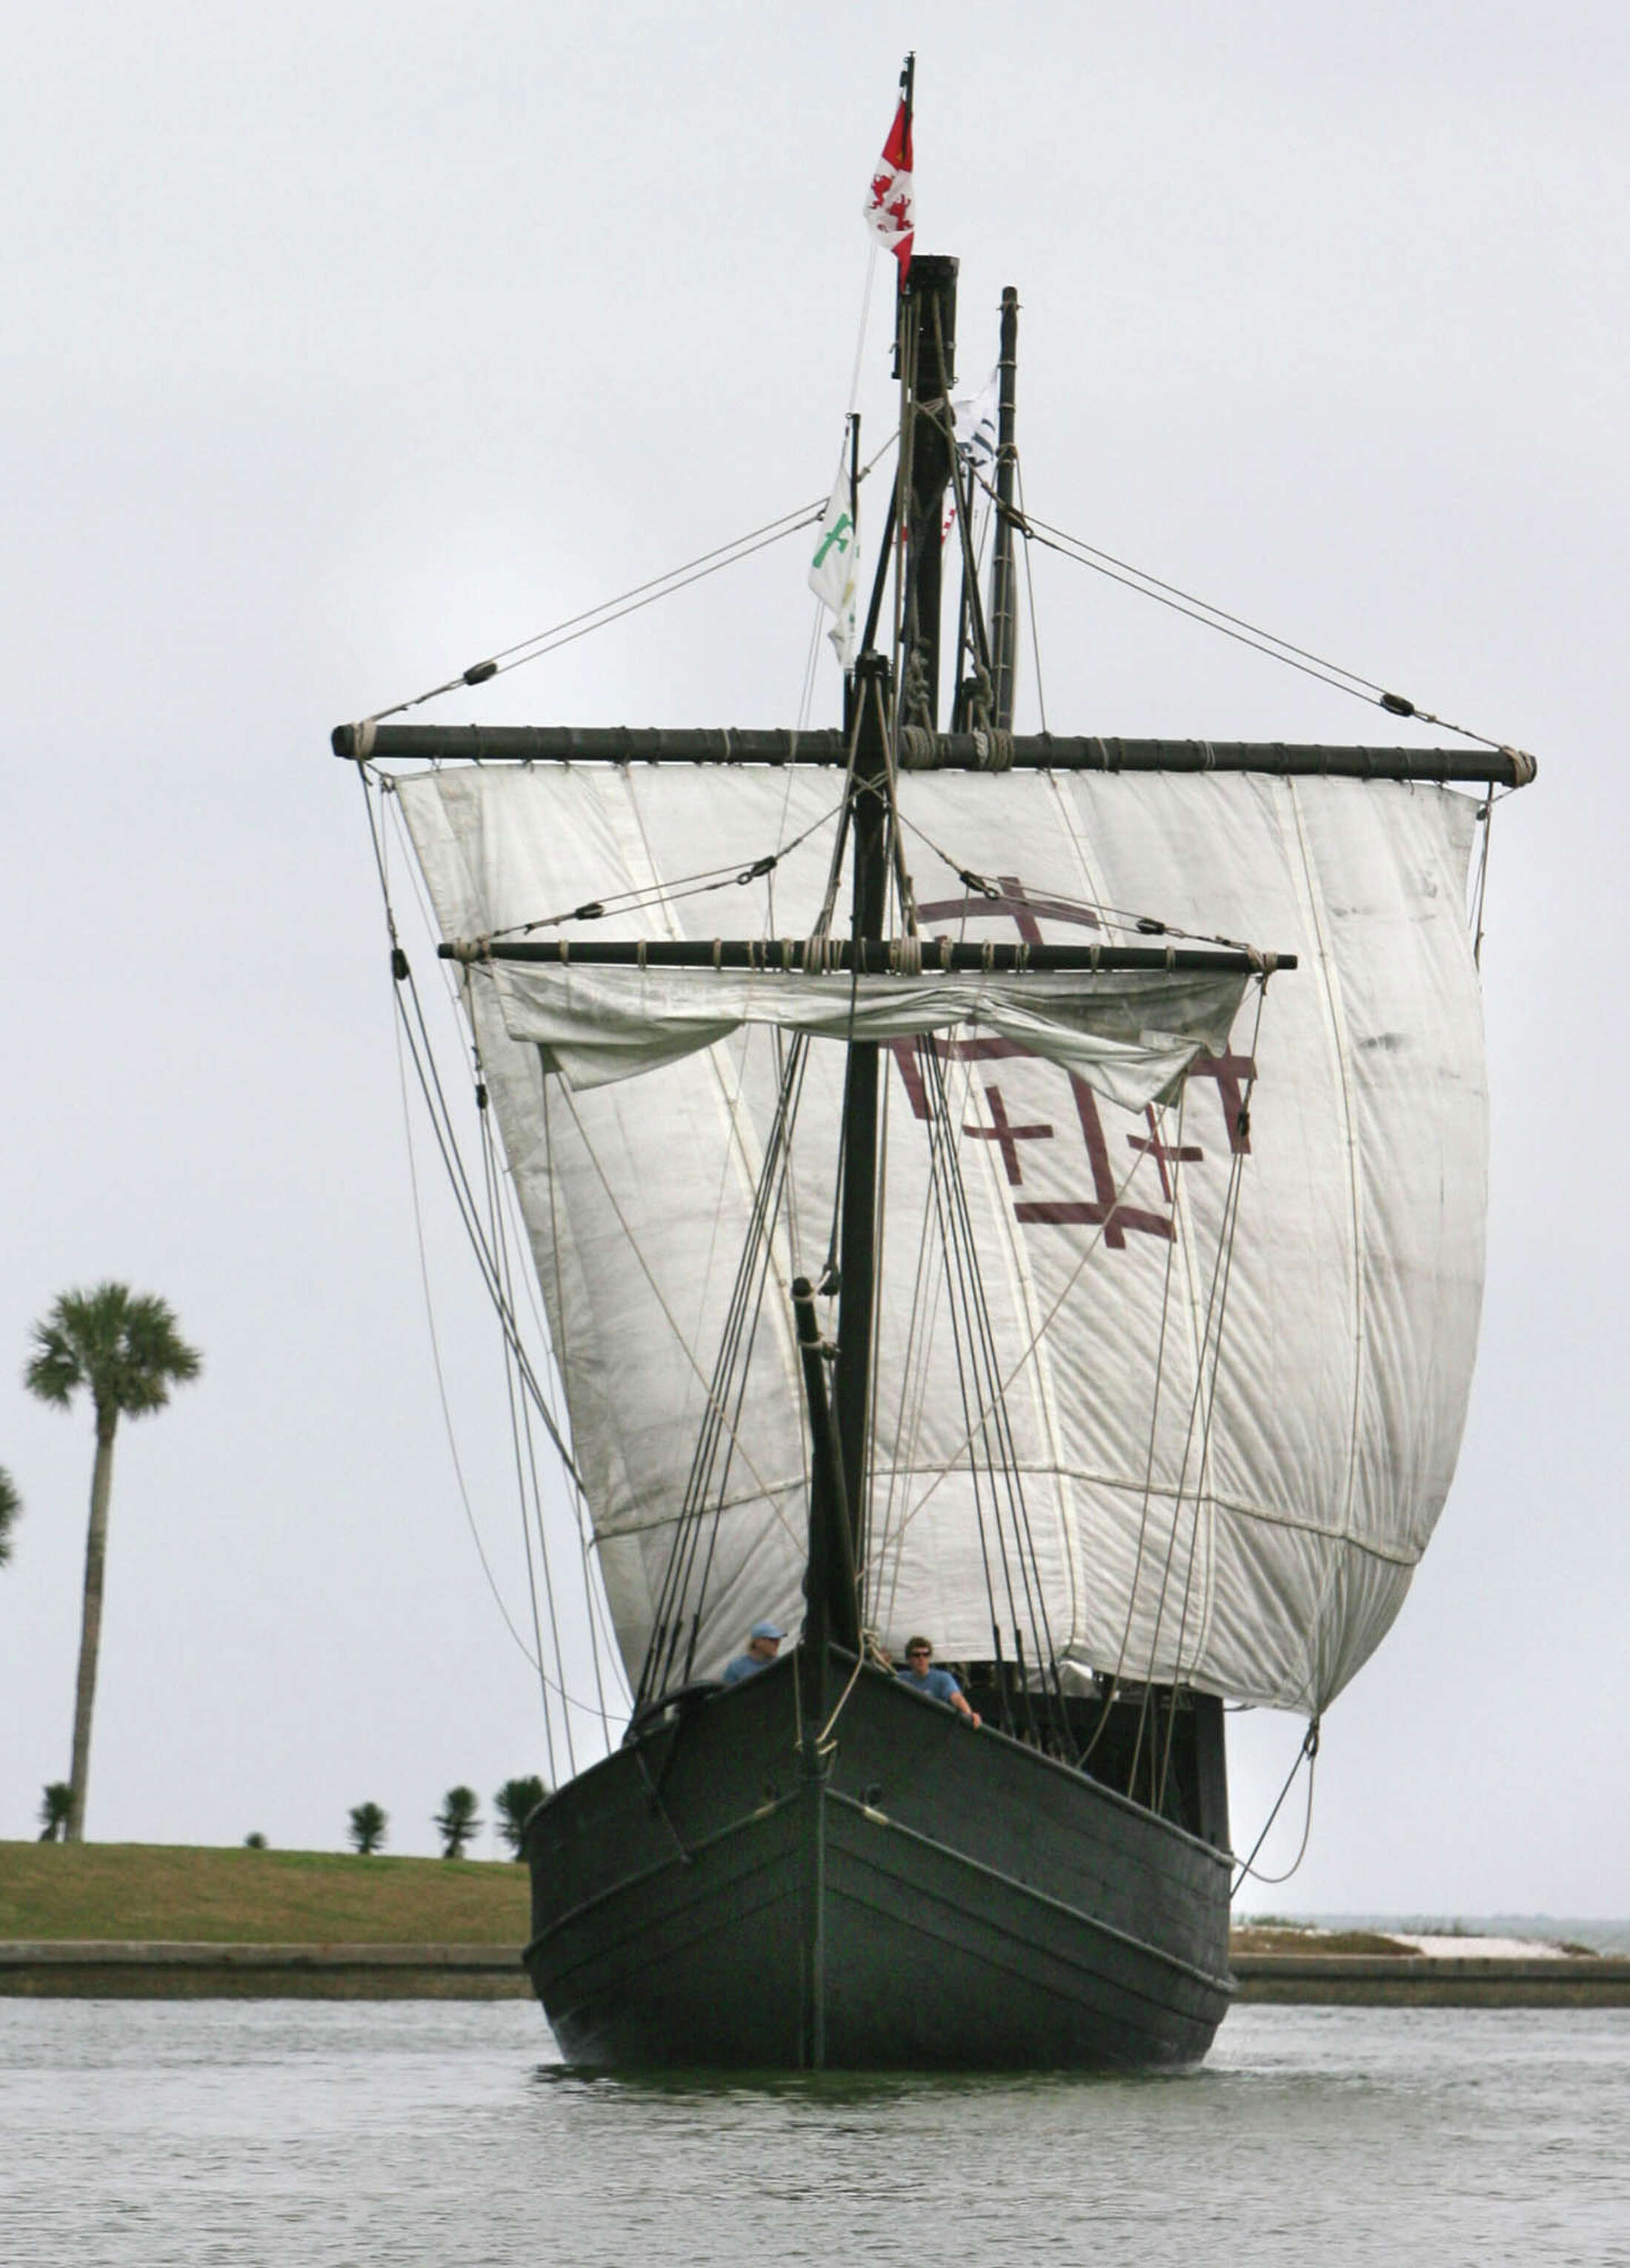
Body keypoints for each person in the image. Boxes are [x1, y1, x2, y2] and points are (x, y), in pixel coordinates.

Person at [895, 1636, 980, 1727]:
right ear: (909, 1658)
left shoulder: (943, 1678)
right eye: (917, 1655)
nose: (921, 1658)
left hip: (934, 1726)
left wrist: (969, 1714)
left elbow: (956, 1698)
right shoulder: (901, 1677)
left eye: (926, 1654)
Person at [722, 1620, 785, 1686]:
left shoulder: (780, 1664)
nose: (777, 1643)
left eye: (779, 1640)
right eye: (772, 1640)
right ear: (758, 1642)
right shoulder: (735, 1668)